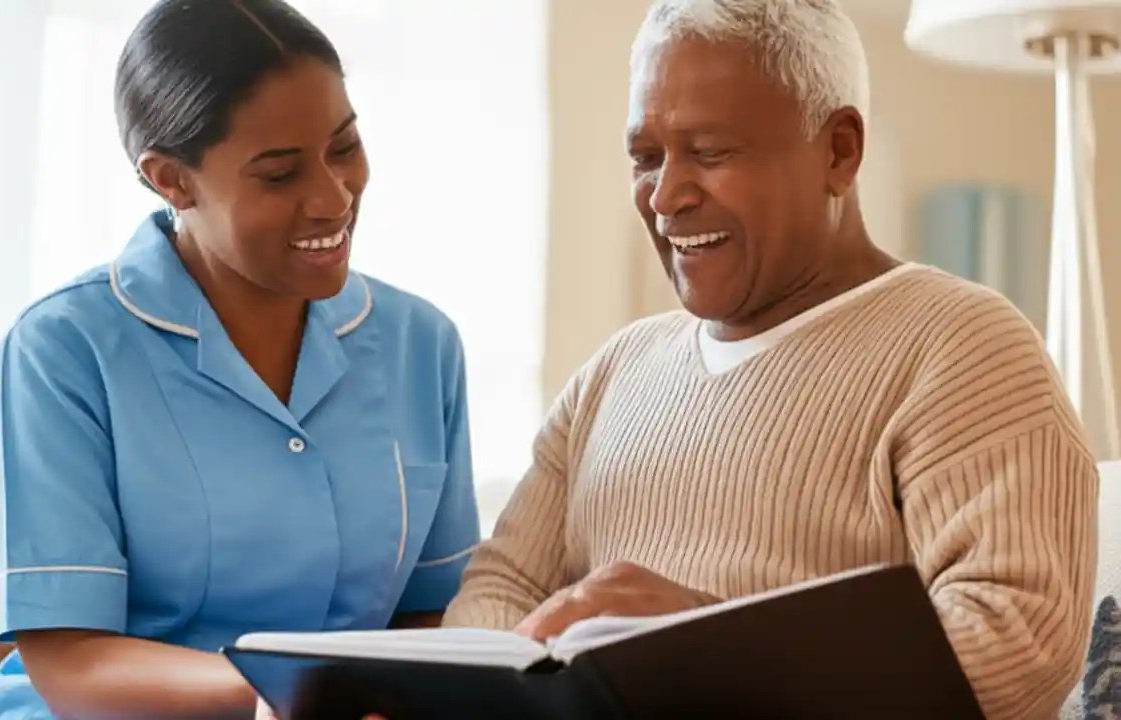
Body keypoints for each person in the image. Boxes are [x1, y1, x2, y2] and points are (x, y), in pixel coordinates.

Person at [443, 1, 1099, 719]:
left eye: (712, 152)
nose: (665, 195)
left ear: (839, 151)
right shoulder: (614, 372)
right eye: (646, 156)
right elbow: (499, 586)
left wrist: (705, 645)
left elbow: (1014, 648)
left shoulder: (960, 346)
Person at [0, 1, 480, 718]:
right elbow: (71, 659)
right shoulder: (61, 351)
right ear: (171, 179)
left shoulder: (422, 345)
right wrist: (297, 694)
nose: (333, 199)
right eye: (279, 175)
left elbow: (434, 614)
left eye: (344, 148)